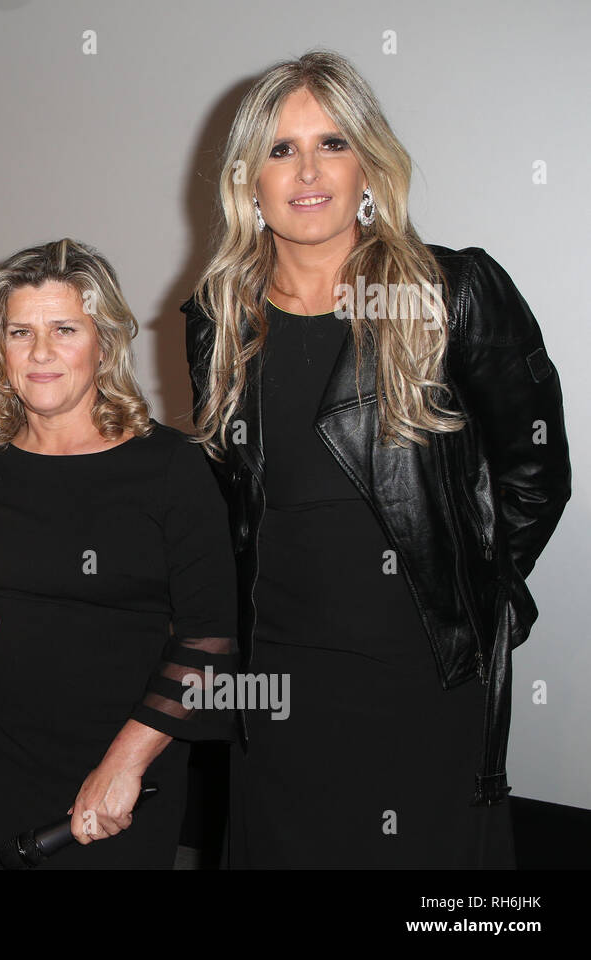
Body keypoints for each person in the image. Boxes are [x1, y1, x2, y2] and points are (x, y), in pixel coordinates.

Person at [183, 51, 570, 868]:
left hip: (421, 683)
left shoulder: (451, 294)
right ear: (248, 178)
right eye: (281, 150)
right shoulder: (217, 322)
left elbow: (536, 472)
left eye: (332, 142)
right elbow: (236, 508)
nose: (308, 171)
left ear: (368, 162)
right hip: (278, 689)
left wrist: (470, 599)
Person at [0, 239, 238, 869]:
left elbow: (211, 641)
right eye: (20, 332)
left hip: (120, 772)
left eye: (64, 329)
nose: (42, 352)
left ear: (103, 342)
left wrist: (123, 762)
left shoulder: (171, 468)